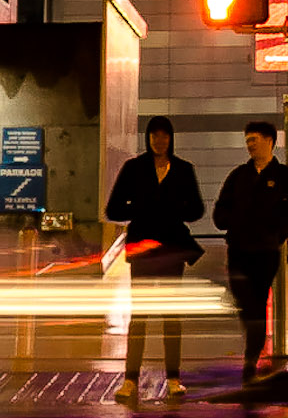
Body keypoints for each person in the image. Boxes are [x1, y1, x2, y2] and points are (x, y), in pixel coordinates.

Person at [103, 115, 206, 401]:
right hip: (143, 251)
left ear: (171, 138)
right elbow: (113, 210)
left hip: (172, 249)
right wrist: (142, 208)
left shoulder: (184, 170)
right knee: (140, 315)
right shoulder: (134, 168)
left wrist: (173, 209)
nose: (159, 141)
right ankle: (130, 381)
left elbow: (197, 210)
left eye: (164, 136)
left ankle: (174, 378)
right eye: (154, 136)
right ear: (147, 138)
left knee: (171, 315)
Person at [214, 119, 288, 378]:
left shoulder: (283, 178)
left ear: (269, 141)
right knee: (246, 303)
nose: (250, 145)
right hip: (238, 250)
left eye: (254, 140)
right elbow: (219, 213)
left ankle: (250, 360)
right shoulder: (238, 176)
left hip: (265, 252)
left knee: (257, 304)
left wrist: (278, 231)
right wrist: (232, 221)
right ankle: (253, 350)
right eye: (247, 141)